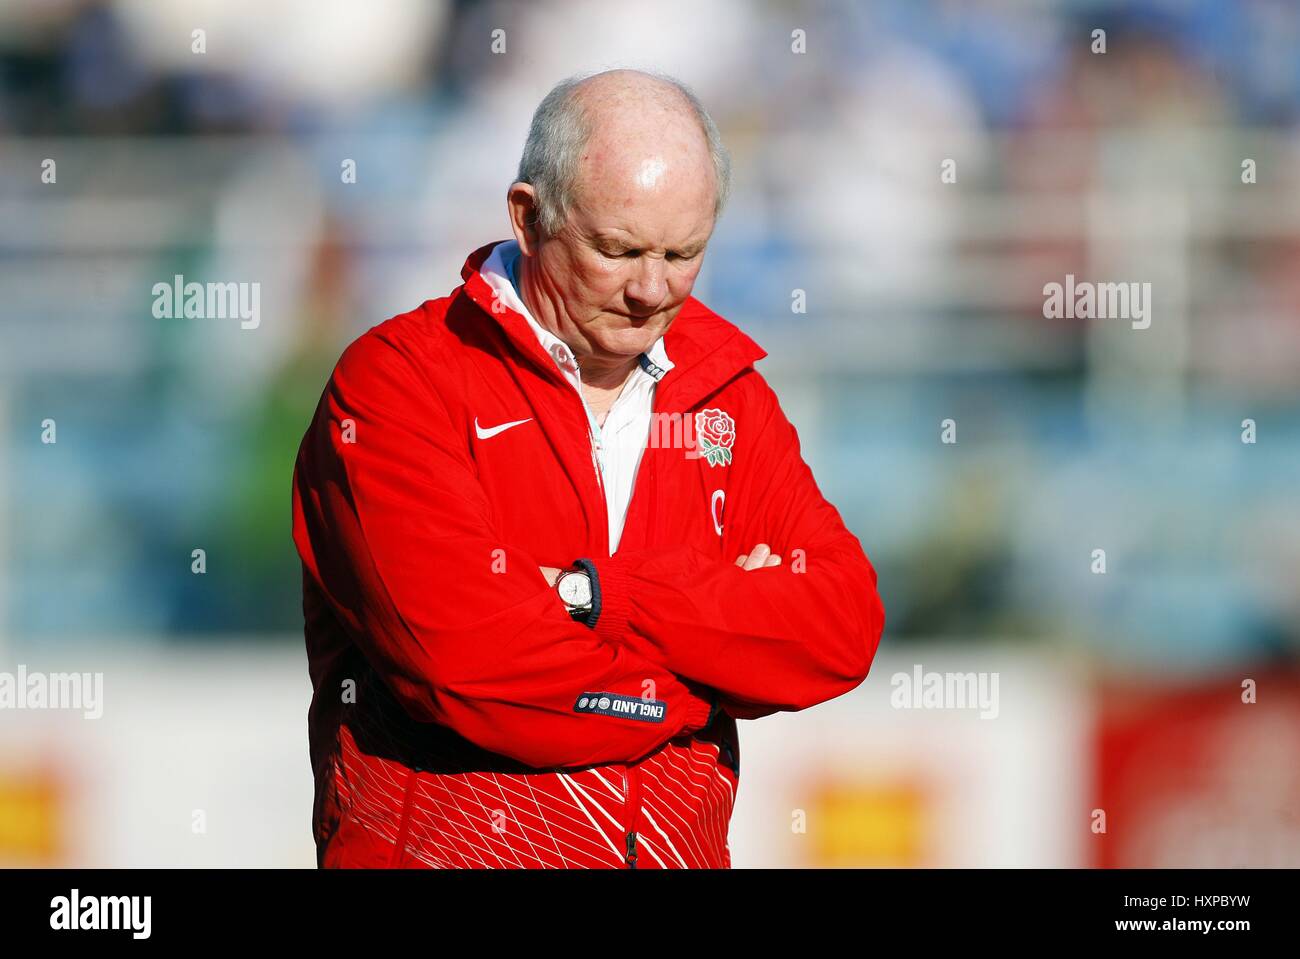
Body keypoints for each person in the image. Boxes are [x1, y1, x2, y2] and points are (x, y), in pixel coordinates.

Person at [291, 68, 885, 868]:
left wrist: (596, 598)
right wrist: (703, 666)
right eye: (619, 249)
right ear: (528, 217)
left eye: (684, 253)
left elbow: (839, 627)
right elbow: (465, 672)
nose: (651, 289)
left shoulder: (729, 395)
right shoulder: (400, 383)